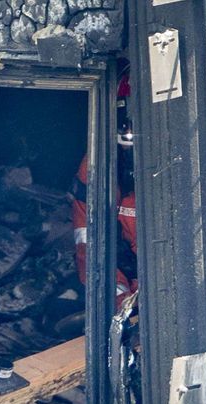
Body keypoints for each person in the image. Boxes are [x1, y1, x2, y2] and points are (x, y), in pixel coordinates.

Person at [69, 58, 137, 306]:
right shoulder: (96, 167)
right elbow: (89, 245)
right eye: (123, 123)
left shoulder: (176, 163)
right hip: (127, 292)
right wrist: (122, 303)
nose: (128, 132)